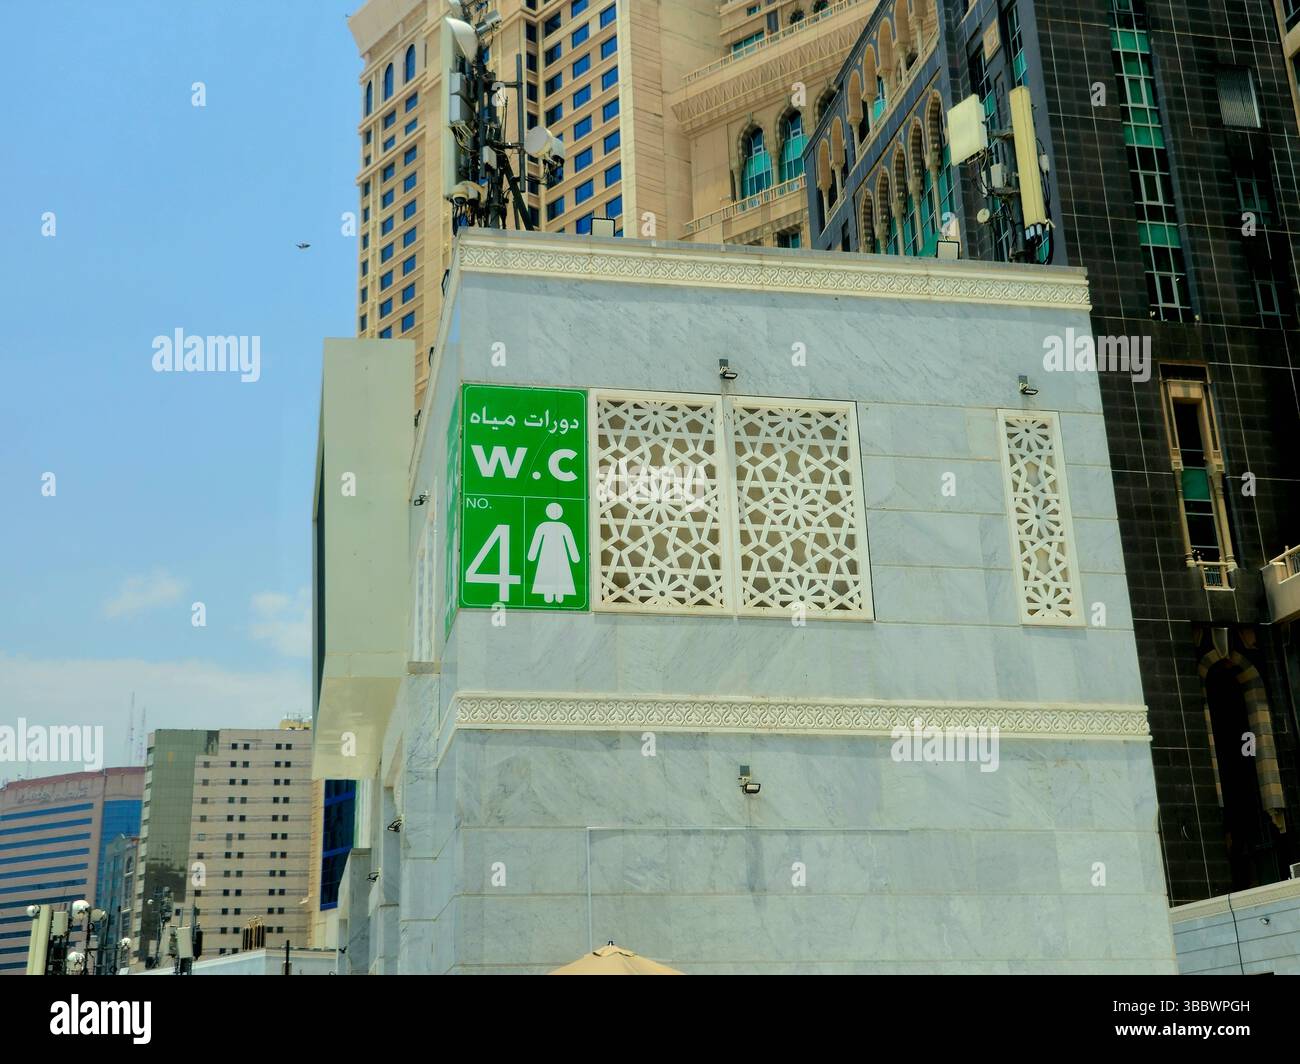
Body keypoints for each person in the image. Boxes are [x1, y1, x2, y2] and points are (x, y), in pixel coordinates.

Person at [527, 502, 579, 603]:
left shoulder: (547, 526)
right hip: (555, 555)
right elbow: (536, 541)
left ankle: (556, 594)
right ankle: (551, 594)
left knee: (552, 572)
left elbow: (570, 541)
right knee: (556, 572)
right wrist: (574, 557)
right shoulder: (560, 526)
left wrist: (532, 555)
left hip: (551, 555)